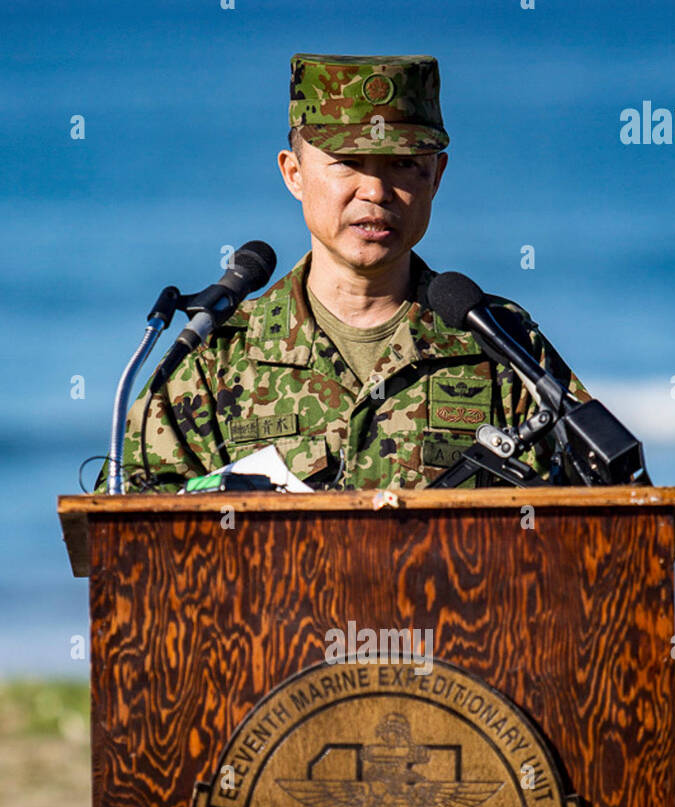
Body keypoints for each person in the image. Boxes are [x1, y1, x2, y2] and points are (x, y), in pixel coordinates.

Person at [110, 53, 589, 493]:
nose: (375, 191)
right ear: (294, 173)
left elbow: (600, 508)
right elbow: (130, 535)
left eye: (402, 165)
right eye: (348, 164)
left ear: (436, 177)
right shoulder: (216, 358)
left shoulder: (501, 345)